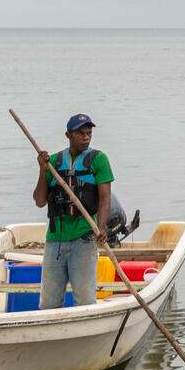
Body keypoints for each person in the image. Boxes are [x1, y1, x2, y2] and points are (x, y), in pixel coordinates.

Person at [31, 114, 114, 308]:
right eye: (80, 133)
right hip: (55, 240)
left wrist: (101, 228)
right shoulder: (54, 161)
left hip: (84, 238)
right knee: (49, 303)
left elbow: (105, 198)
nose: (86, 137)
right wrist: (43, 170)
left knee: (85, 301)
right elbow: (39, 201)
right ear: (68, 134)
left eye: (89, 133)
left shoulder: (98, 160)